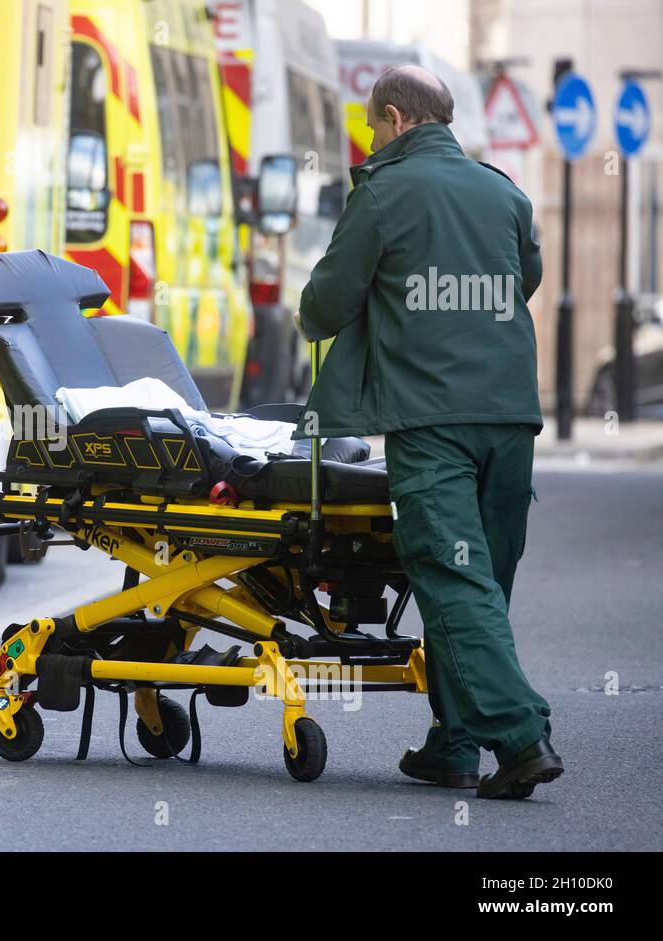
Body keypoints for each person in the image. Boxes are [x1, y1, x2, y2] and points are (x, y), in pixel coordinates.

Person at [293, 65, 562, 799]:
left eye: (373, 127)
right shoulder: (504, 192)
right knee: (480, 582)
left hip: (430, 417)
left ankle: (519, 735)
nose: (370, 141)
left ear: (395, 118)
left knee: (449, 574)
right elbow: (522, 278)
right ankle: (453, 744)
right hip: (510, 415)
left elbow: (327, 304)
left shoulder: (383, 192)